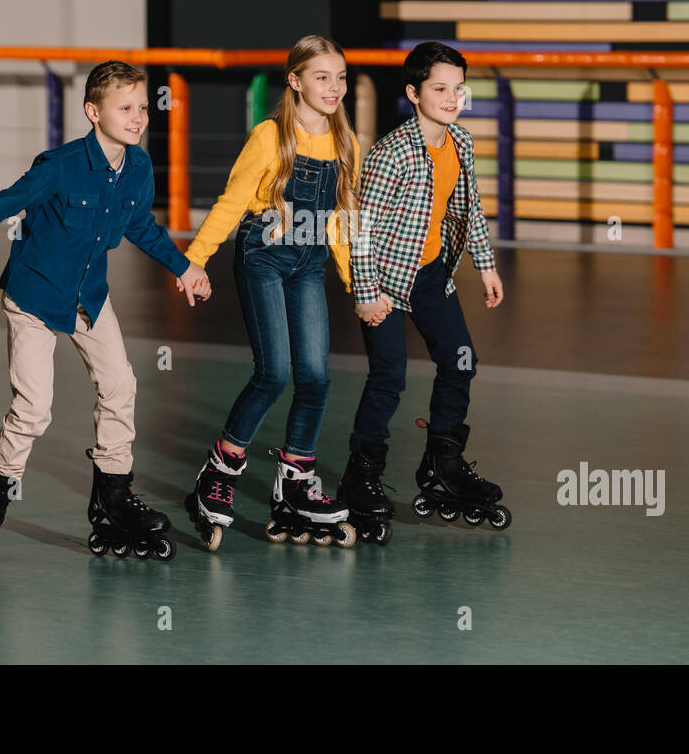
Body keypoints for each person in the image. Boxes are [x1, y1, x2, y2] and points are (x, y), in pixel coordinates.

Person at [0, 60, 208, 564]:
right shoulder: (59, 166)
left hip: (90, 296)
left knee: (120, 385)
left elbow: (140, 226)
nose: (137, 117)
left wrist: (184, 266)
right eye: (124, 108)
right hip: (35, 298)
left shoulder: (139, 168)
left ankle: (112, 496)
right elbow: (3, 205)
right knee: (34, 409)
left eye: (142, 108)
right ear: (93, 111)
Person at [183, 35, 360, 550]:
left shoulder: (345, 141)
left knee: (317, 375)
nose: (334, 87)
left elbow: (343, 222)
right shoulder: (270, 136)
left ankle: (296, 482)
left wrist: (358, 284)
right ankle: (219, 470)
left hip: (309, 265)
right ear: (295, 80)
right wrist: (194, 259)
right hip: (263, 258)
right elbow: (232, 202)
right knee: (274, 372)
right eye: (322, 76)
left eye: (341, 77)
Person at [342, 41, 512, 543]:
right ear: (414, 93)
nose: (452, 97)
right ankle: (361, 476)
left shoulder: (460, 141)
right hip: (386, 282)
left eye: (459, 89)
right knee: (389, 377)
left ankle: (443, 463)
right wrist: (366, 293)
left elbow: (469, 207)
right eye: (440, 88)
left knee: (461, 360)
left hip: (433, 274)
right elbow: (361, 228)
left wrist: (486, 266)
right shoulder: (391, 154)